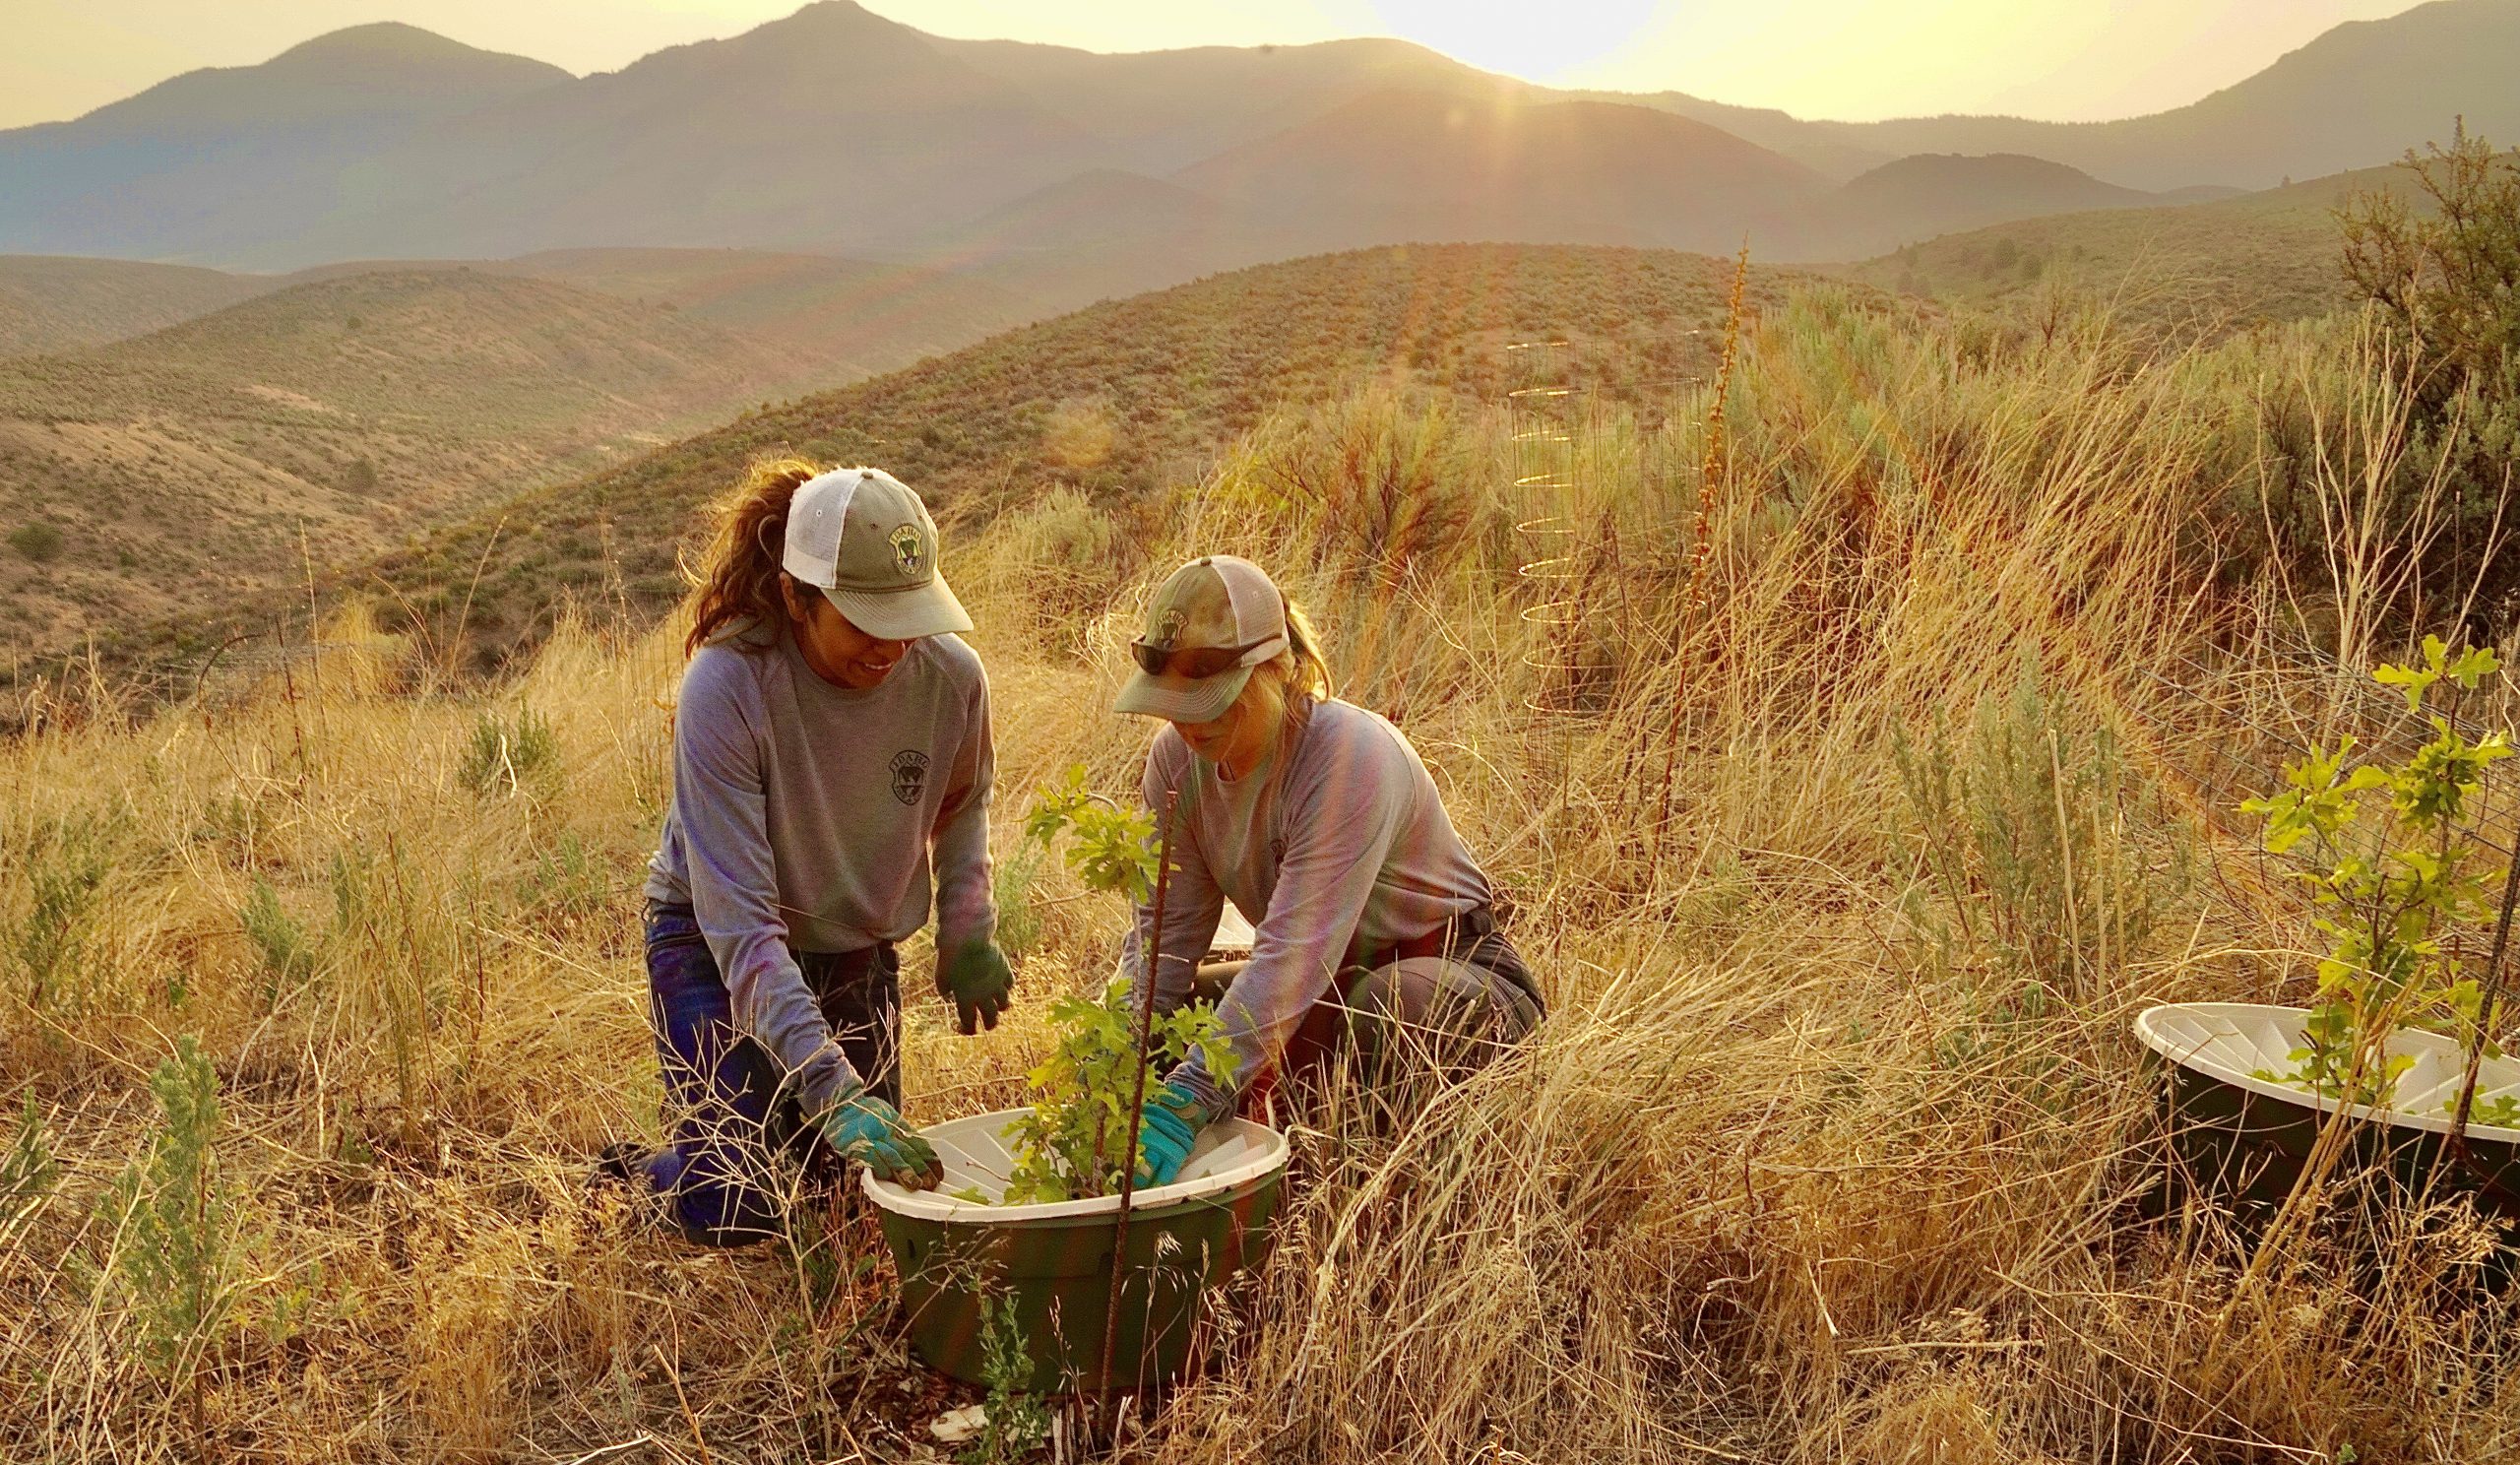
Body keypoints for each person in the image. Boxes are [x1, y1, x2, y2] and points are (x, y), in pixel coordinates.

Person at [617, 460, 1013, 1245]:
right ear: (798, 598)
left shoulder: (952, 677)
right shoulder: (729, 685)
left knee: (854, 1201)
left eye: (908, 616)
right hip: (713, 940)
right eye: (865, 620)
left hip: (852, 940)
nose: (892, 647)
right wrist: (832, 1091)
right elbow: (743, 930)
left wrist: (968, 925)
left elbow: (964, 803)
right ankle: (644, 1174)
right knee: (741, 1203)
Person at [1113, 554, 1543, 1186]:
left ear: (1276, 670)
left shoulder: (1348, 754)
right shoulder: (1176, 766)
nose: (1186, 720)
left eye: (1210, 699)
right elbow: (1164, 945)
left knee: (1386, 1009)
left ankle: (1380, 1195)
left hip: (1453, 977)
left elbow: (1293, 958)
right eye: (1172, 700)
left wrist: (1190, 1097)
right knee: (1184, 1019)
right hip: (1329, 986)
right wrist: (1110, 1056)